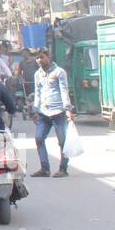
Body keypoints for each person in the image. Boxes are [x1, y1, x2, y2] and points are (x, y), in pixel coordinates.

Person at [31, 48, 75, 177]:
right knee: (39, 139)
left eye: (42, 57)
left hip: (58, 112)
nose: (39, 60)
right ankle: (45, 168)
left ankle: (63, 169)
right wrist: (35, 110)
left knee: (62, 141)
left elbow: (64, 90)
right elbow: (37, 93)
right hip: (43, 112)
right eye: (37, 58)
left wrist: (68, 109)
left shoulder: (59, 72)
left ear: (49, 57)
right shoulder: (37, 74)